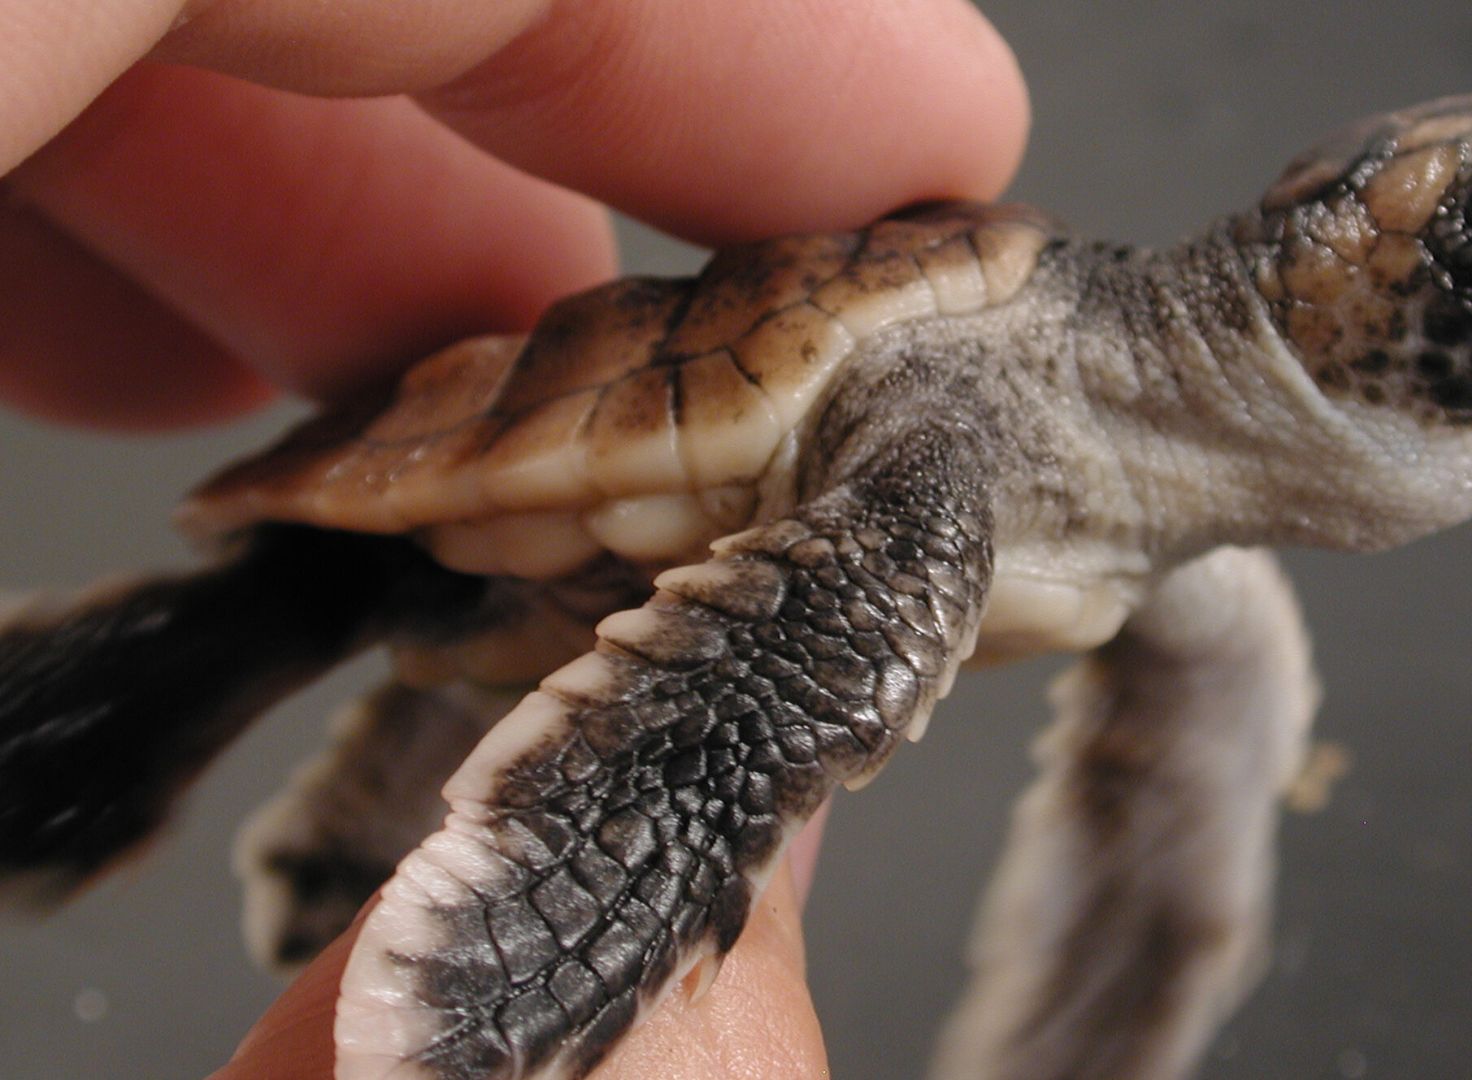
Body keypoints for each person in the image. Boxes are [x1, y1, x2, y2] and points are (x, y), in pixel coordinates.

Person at [0, 2, 1030, 1076]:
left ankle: (355, 809)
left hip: (557, 563)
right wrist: (599, 895)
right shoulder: (959, 432)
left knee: (300, 627)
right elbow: (832, 633)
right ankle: (445, 862)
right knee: (265, 629)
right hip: (579, 462)